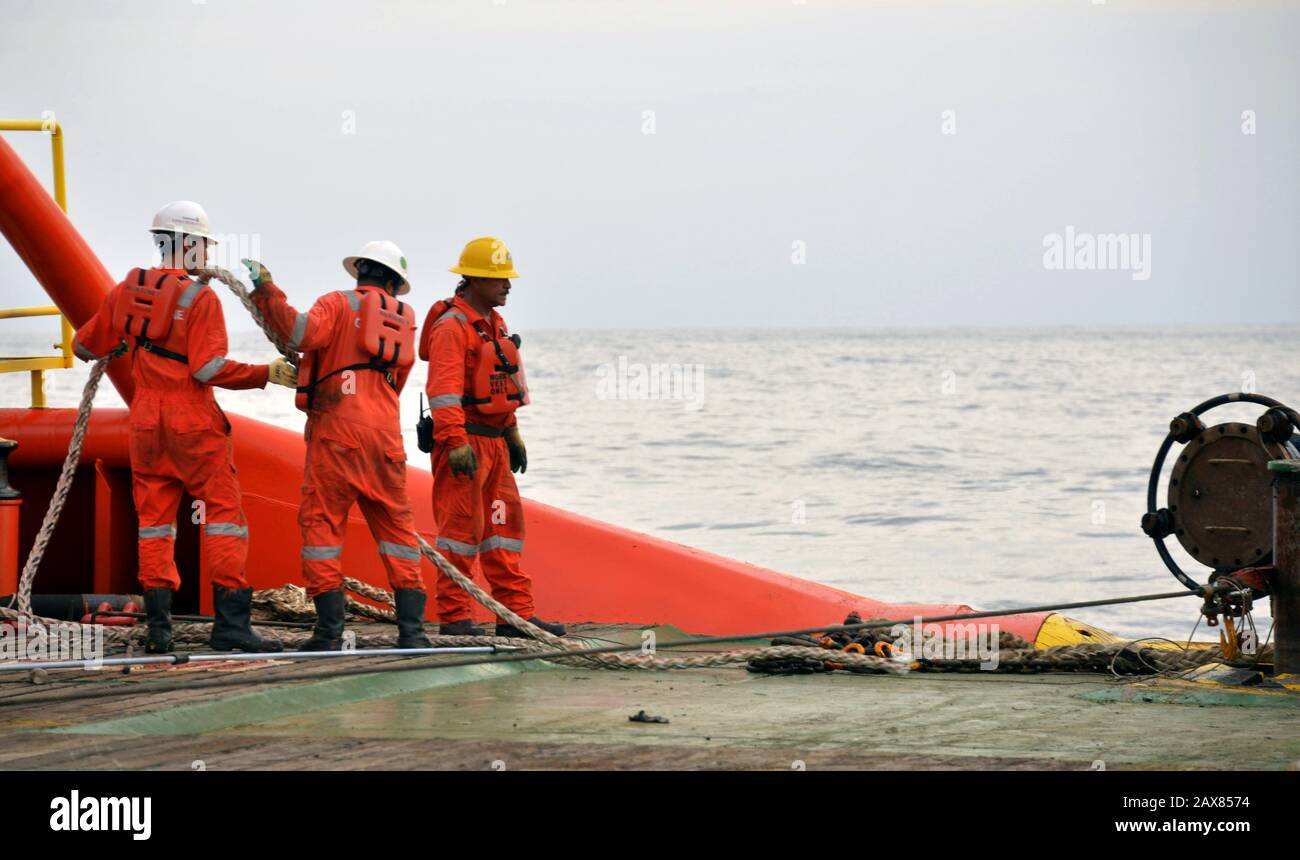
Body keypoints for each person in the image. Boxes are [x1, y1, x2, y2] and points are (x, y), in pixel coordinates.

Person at [73, 201, 295, 653]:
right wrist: (264, 374)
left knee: (154, 524)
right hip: (193, 423)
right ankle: (230, 623)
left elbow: (83, 346)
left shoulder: (125, 290)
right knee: (225, 517)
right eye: (204, 246)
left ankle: (159, 630)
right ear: (191, 244)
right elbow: (209, 368)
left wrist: (130, 342)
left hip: (146, 423)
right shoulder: (201, 298)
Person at [245, 241, 432, 650]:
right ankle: (413, 632)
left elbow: (299, 332)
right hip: (385, 434)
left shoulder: (336, 302)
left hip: (337, 431)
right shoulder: (405, 318)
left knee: (322, 525)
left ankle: (328, 632)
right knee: (397, 530)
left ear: (360, 271)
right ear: (395, 283)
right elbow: (396, 380)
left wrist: (266, 290)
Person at [418, 237, 565, 637]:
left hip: (495, 443)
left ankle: (514, 617)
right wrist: (455, 442)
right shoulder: (452, 327)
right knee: (461, 533)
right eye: (500, 279)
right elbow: (443, 391)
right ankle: (456, 620)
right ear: (476, 279)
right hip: (466, 444)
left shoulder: (495, 324)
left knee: (504, 530)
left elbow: (502, 383)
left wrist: (513, 433)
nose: (509, 286)